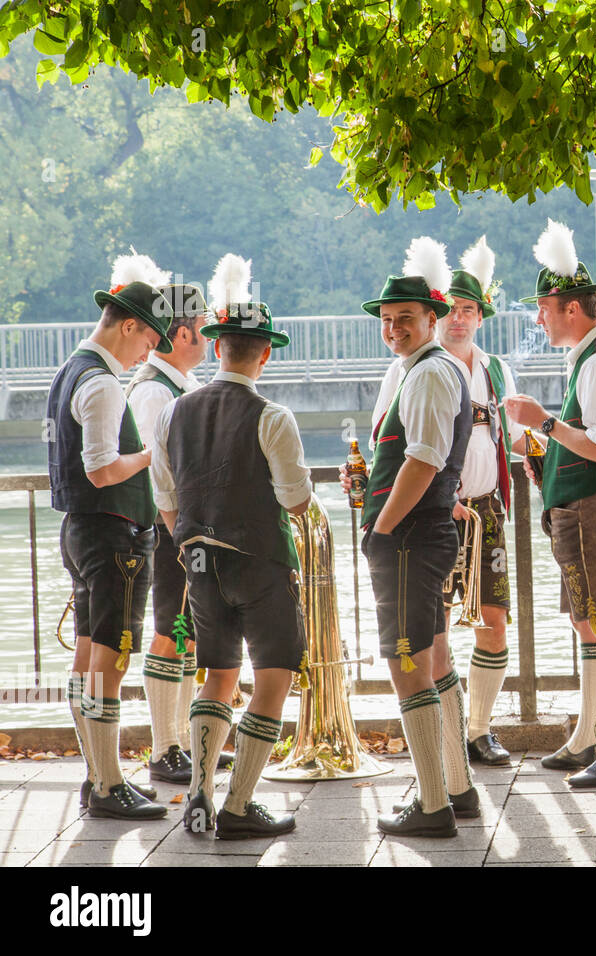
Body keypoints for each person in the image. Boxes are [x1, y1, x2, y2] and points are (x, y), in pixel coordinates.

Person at [154, 254, 311, 838]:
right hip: (260, 563)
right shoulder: (273, 416)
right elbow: (295, 502)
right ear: (265, 352)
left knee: (217, 674)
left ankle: (198, 793)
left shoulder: (174, 410)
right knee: (272, 677)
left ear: (218, 346)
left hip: (197, 560)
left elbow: (166, 497)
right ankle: (242, 805)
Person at [505, 219, 596, 788]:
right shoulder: (590, 356)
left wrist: (544, 422)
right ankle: (590, 737)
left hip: (591, 506)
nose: (538, 317)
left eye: (542, 307)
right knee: (587, 619)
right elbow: (590, 441)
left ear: (570, 308)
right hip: (579, 504)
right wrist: (541, 442)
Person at [348, 237, 473, 836]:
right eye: (387, 320)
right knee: (434, 655)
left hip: (410, 536)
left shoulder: (427, 373)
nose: (393, 328)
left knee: (407, 664)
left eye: (404, 319)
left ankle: (432, 804)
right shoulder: (411, 369)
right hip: (421, 533)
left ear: (433, 318)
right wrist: (367, 475)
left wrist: (382, 526)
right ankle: (455, 785)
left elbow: (423, 460)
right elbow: (401, 454)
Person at [49, 253, 173, 820]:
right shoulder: (101, 384)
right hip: (112, 536)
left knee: (88, 654)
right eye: (149, 340)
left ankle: (101, 775)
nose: (148, 353)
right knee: (112, 656)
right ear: (128, 326)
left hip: (82, 530)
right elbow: (102, 469)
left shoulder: (71, 370)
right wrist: (154, 453)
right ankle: (105, 785)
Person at [439, 236, 528, 769]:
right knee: (435, 626)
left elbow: (516, 440)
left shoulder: (495, 370)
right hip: (435, 514)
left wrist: (569, 452)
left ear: (480, 317)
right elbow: (388, 439)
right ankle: (444, 729)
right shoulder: (413, 368)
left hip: (487, 509)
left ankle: (478, 729)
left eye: (468, 310)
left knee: (493, 622)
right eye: (450, 309)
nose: (459, 318)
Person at [126, 281, 216, 785]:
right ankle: (164, 749)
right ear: (181, 333)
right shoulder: (156, 390)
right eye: (202, 327)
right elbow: (157, 473)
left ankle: (182, 741)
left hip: (184, 527)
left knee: (187, 635)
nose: (205, 336)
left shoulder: (178, 384)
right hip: (168, 529)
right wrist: (181, 535)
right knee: (169, 633)